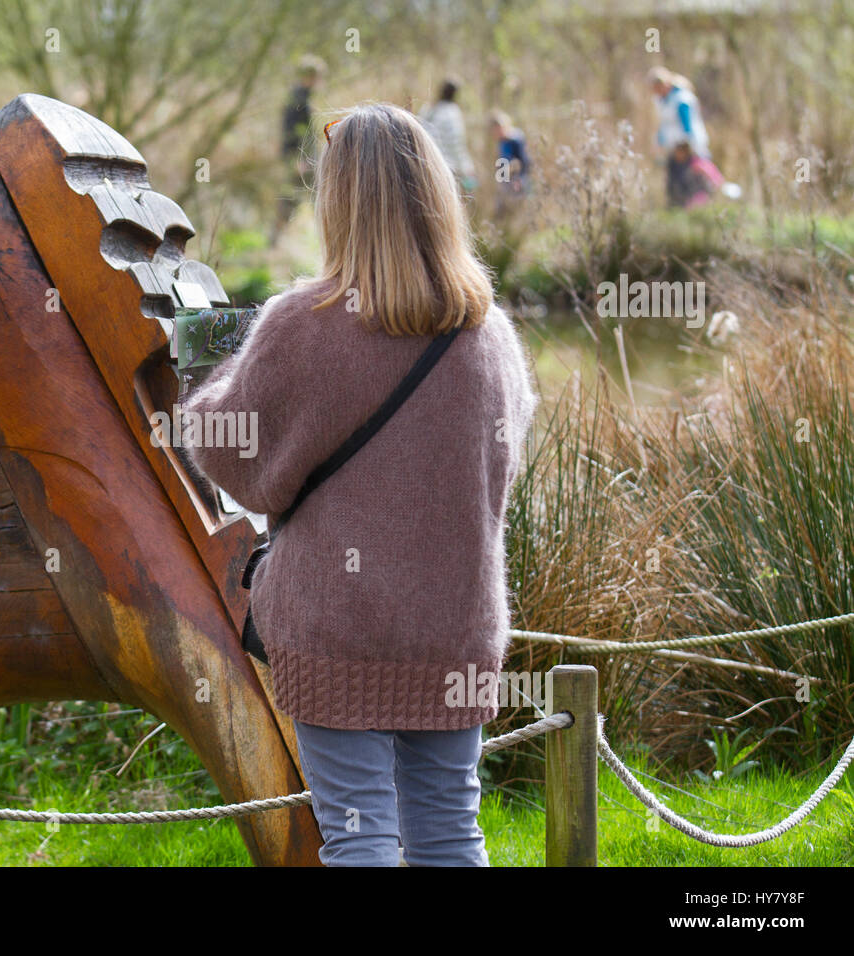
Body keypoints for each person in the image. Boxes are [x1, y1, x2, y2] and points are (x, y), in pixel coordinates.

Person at [182, 103, 539, 867]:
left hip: (335, 625)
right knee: (450, 829)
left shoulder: (300, 324)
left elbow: (233, 459)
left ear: (338, 200)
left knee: (358, 834)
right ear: (437, 196)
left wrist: (202, 382)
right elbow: (497, 475)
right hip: (455, 622)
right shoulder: (491, 337)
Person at [270, 55, 327, 245]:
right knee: (293, 198)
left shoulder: (305, 97)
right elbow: (290, 130)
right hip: (299, 159)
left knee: (312, 197)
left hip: (306, 158)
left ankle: (279, 243)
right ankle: (275, 243)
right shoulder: (297, 98)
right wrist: (297, 159)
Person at [647, 67, 711, 205]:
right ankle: (676, 209)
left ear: (665, 84)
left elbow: (687, 127)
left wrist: (688, 147)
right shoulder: (662, 101)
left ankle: (694, 209)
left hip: (686, 148)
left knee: (689, 181)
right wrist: (659, 142)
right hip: (674, 148)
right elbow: (664, 124)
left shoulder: (682, 99)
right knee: (673, 182)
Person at [420, 79, 477, 195]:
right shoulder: (452, 112)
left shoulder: (428, 109)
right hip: (450, 168)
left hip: (429, 164)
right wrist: (466, 167)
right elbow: (456, 143)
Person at [488, 110, 530, 214]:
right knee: (501, 209)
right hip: (504, 180)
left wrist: (519, 178)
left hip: (516, 180)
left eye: (497, 129)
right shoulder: (502, 141)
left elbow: (524, 161)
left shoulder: (516, 139)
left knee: (516, 208)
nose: (496, 133)